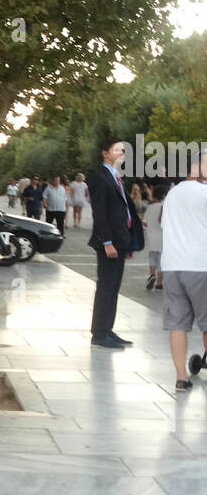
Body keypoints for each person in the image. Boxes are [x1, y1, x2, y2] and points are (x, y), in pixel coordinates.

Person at [86, 137, 144, 349]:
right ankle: (99, 334)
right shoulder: (100, 177)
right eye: (118, 149)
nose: (122, 153)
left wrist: (126, 243)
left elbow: (123, 212)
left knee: (113, 287)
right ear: (105, 152)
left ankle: (107, 329)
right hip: (108, 243)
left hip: (120, 242)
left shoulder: (115, 177)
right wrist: (107, 241)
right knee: (106, 286)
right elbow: (99, 212)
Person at [159, 156, 207, 392]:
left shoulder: (171, 195)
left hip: (172, 267)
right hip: (200, 266)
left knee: (177, 324)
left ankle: (181, 378)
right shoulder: (204, 193)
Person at [144, 183, 168, 291]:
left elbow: (144, 223)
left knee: (152, 258)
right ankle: (159, 283)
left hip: (151, 237)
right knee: (161, 261)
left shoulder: (150, 207)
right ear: (164, 195)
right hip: (163, 237)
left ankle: (152, 275)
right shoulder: (165, 207)